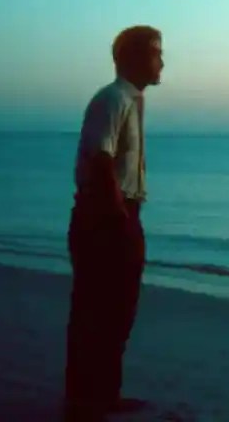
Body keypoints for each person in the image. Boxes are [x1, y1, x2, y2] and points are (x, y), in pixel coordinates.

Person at [63, 25, 163, 421]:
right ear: (133, 57)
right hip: (105, 219)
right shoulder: (112, 100)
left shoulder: (131, 101)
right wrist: (119, 217)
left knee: (116, 311)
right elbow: (100, 159)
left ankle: (102, 394)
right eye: (156, 52)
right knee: (97, 311)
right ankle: (85, 400)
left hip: (116, 215)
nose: (162, 62)